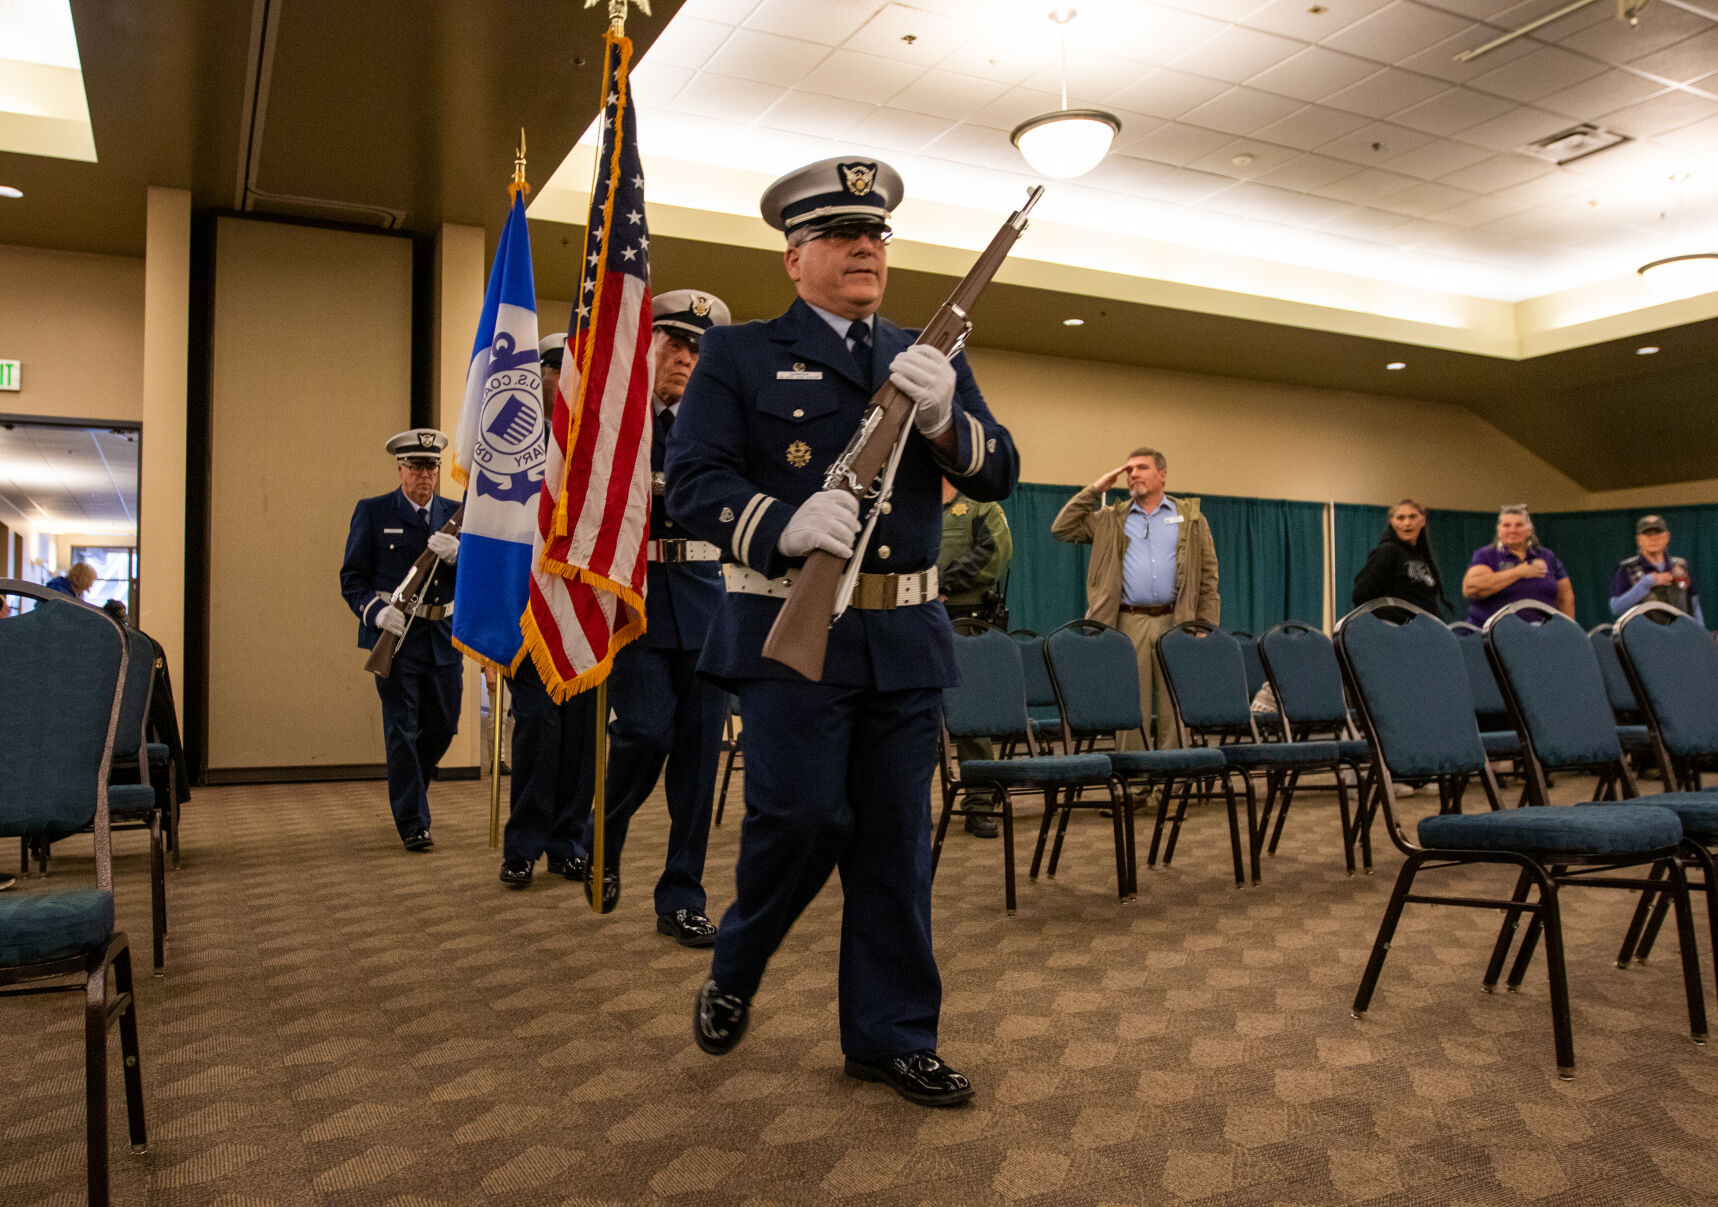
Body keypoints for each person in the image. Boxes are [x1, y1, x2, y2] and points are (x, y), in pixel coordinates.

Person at [666, 155, 1018, 1107]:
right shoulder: (738, 355)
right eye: (839, 234)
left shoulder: (927, 353)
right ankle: (737, 964)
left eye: (877, 235)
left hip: (904, 640)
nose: (865, 246)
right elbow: (692, 481)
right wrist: (779, 523)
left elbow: (1001, 471)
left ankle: (891, 1035)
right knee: (801, 817)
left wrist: (946, 420)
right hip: (790, 632)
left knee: (897, 845)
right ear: (794, 256)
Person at [574, 290, 731, 943]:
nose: (685, 358)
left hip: (707, 599)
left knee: (699, 758)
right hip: (638, 602)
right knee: (643, 732)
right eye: (674, 343)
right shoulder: (620, 422)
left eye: (697, 349)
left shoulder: (720, 424)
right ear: (649, 346)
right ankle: (602, 835)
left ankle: (682, 896)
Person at [499, 333, 598, 890]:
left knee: (582, 735)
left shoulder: (595, 444)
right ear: (539, 373)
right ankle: (523, 846)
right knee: (538, 727)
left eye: (573, 370)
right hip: (530, 608)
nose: (563, 379)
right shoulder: (515, 442)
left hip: (582, 604)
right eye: (556, 368)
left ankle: (567, 843)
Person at [339, 428, 462, 852]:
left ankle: (411, 788)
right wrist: (376, 613)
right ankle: (413, 821)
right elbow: (351, 579)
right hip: (397, 639)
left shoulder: (458, 514)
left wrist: (460, 557)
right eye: (416, 466)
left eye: (432, 467)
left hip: (443, 638)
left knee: (445, 725)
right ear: (400, 469)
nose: (425, 475)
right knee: (402, 730)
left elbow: (480, 580)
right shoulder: (373, 512)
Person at [1051, 448, 1219, 751]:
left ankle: (1171, 782)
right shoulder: (1111, 518)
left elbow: (1208, 575)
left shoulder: (1190, 517)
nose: (1133, 474)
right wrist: (1094, 490)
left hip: (1176, 620)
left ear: (1163, 475)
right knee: (1131, 707)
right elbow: (1062, 528)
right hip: (1126, 622)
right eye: (1129, 470)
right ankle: (1136, 785)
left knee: (1175, 705)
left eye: (1142, 467)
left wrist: (1205, 623)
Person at [937, 476, 1013, 838]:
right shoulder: (912, 504)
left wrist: (942, 584)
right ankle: (905, 810)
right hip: (914, 617)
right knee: (907, 718)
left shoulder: (982, 506)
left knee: (972, 721)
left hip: (966, 620)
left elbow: (992, 555)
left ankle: (979, 804)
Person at [1461, 504, 1574, 625]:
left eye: (1519, 525)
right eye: (1506, 525)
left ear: (1529, 529)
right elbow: (1471, 588)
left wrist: (1567, 630)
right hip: (1492, 636)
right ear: (1499, 530)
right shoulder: (1486, 555)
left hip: (1541, 635)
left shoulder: (1547, 556)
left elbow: (1566, 598)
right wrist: (1519, 572)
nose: (1513, 530)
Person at [1351, 498, 1448, 616]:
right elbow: (1361, 594)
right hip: (1398, 630)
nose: (1407, 523)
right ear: (1392, 522)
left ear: (1423, 520)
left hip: (1425, 629)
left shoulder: (1422, 557)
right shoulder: (1388, 551)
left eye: (1412, 517)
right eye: (1400, 518)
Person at [1611, 514, 1704, 625]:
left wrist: (1701, 634)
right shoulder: (1627, 569)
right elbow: (1616, 608)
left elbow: (1695, 605)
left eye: (1658, 533)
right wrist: (1646, 583)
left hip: (1679, 636)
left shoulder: (1681, 566)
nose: (1653, 538)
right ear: (1639, 539)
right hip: (1645, 637)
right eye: (1647, 534)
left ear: (1667, 536)